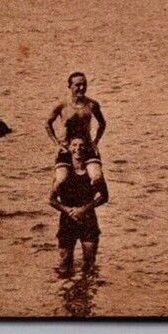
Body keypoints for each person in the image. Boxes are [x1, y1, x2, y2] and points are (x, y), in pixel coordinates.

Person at [51, 136, 107, 274]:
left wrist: (84, 209)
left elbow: (105, 196)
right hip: (67, 220)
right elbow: (51, 200)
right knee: (64, 264)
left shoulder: (94, 173)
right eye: (74, 145)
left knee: (89, 264)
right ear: (69, 148)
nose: (78, 149)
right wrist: (68, 210)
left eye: (81, 145)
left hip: (88, 219)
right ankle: (66, 292)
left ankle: (87, 291)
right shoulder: (62, 173)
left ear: (86, 148)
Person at [47, 72, 107, 183]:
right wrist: (57, 144)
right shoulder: (62, 105)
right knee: (61, 180)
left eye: (84, 84)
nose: (82, 88)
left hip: (86, 147)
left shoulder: (92, 105)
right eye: (78, 85)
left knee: (97, 177)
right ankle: (53, 199)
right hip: (66, 148)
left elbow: (102, 123)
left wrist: (95, 142)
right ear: (70, 86)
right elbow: (48, 123)